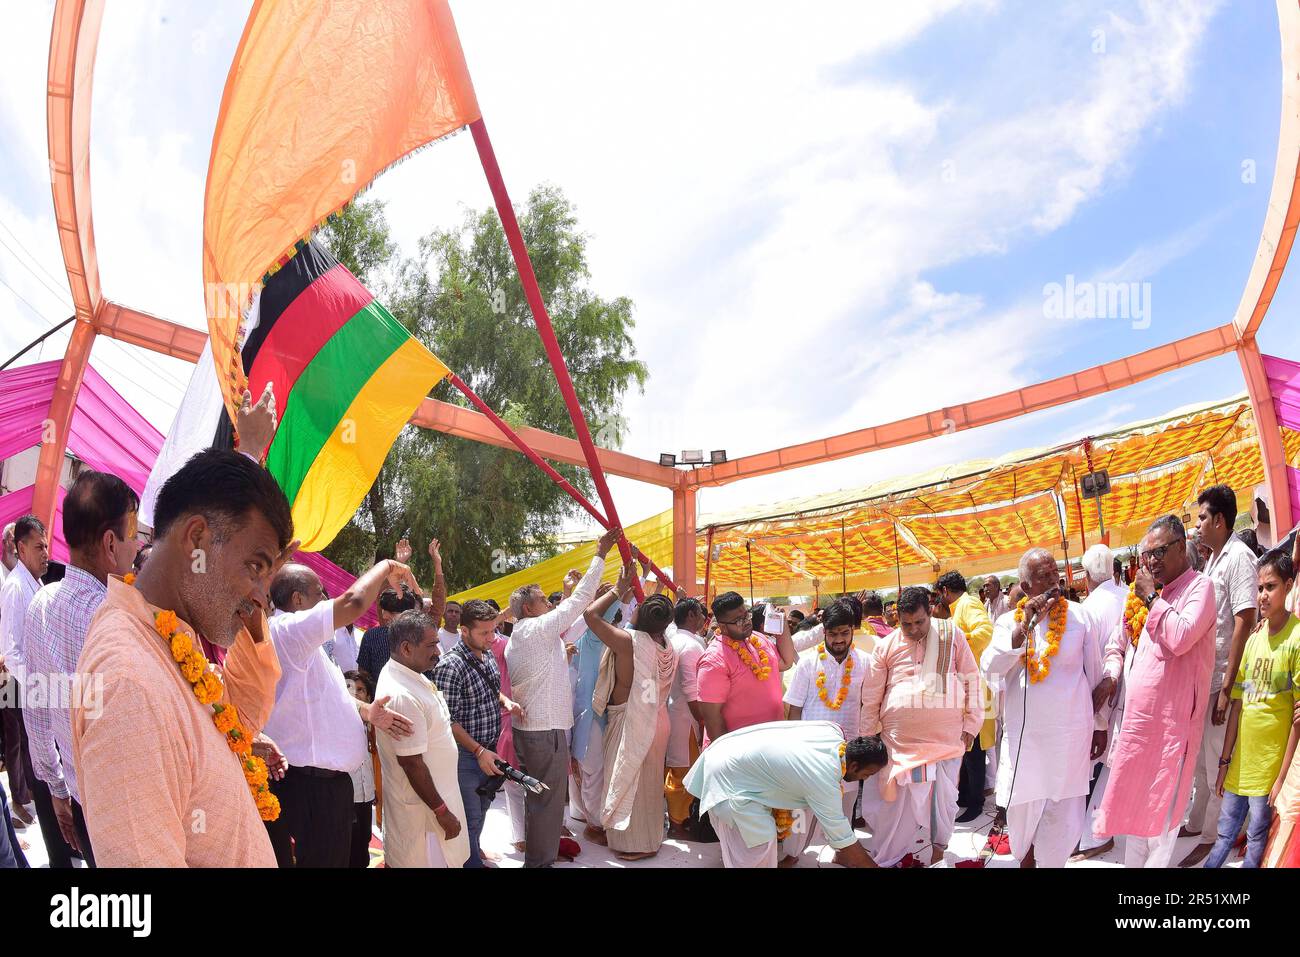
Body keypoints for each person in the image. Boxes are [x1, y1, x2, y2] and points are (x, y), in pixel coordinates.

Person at [72, 447, 294, 866]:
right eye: (255, 567)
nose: (262, 597)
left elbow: (243, 720)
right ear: (196, 540)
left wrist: (254, 585)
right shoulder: (129, 686)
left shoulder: (169, 634)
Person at [261, 548, 422, 867]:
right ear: (296, 600)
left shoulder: (299, 643)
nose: (326, 599)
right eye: (319, 593)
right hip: (311, 787)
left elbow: (326, 695)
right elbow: (352, 603)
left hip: (317, 785)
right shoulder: (291, 630)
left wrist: (367, 711)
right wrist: (387, 567)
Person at [24, 471, 143, 869]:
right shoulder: (118, 619)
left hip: (80, 799)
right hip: (128, 812)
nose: (138, 545)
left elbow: (37, 713)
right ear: (111, 543)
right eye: (133, 534)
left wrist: (57, 791)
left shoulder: (41, 604)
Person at [1094, 514, 1216, 867]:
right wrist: (1112, 674)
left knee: (1161, 829)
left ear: (1181, 548)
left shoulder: (1200, 588)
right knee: (1134, 818)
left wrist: (1150, 598)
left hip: (1172, 732)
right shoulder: (1143, 598)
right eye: (1146, 555)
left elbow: (1179, 637)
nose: (1150, 562)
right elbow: (1117, 645)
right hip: (1137, 727)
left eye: (1158, 552)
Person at [506, 526, 620, 867]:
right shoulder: (535, 629)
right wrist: (600, 554)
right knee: (547, 801)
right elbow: (578, 602)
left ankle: (542, 856)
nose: (550, 601)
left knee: (544, 800)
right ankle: (540, 862)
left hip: (540, 729)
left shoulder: (528, 633)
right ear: (529, 608)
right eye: (543, 599)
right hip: (543, 732)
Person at [984, 549, 1106, 868]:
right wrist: (1023, 627)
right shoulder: (1008, 622)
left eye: (1055, 573)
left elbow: (1094, 673)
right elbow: (990, 668)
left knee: (1064, 811)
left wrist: (1101, 725)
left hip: (1069, 734)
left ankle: (1054, 862)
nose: (1054, 581)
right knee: (1022, 807)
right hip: (1026, 741)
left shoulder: (1080, 616)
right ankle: (1026, 860)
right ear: (1026, 587)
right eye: (1044, 576)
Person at [859, 586, 982, 867]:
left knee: (944, 801)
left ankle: (938, 852)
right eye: (906, 624)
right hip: (898, 742)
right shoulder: (886, 645)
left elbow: (971, 678)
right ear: (896, 619)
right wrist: (868, 738)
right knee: (893, 806)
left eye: (919, 622)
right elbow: (872, 695)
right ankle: (890, 856)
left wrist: (972, 724)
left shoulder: (951, 635)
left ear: (930, 611)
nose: (913, 629)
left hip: (946, 739)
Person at [1178, 484, 1259, 867]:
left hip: (1222, 680)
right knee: (1200, 761)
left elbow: (1245, 620)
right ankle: (1198, 823)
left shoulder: (1239, 557)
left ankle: (1216, 837)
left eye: (1202, 517)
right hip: (1205, 679)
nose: (1196, 525)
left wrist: (1228, 689)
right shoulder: (1212, 560)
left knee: (1217, 762)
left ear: (1220, 520)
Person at [1204, 550, 1299, 868]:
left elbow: (1297, 718)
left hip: (1270, 768)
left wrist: (1281, 778)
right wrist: (1224, 762)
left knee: (1257, 839)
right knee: (1224, 836)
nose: (1262, 595)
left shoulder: (1297, 639)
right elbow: (1238, 706)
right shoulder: (1254, 640)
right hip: (1240, 766)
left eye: (1270, 587)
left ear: (1288, 586)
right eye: (1259, 588)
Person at [685, 721, 886, 867]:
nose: (865, 780)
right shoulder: (823, 777)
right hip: (728, 776)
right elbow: (843, 836)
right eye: (867, 774)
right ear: (853, 765)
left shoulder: (831, 731)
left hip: (732, 755)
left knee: (764, 838)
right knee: (758, 842)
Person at [583, 564, 678, 860]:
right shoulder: (666, 644)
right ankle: (651, 839)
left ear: (638, 615)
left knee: (628, 781)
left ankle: (633, 845)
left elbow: (590, 616)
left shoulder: (629, 642)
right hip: (659, 720)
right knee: (650, 783)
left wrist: (617, 590)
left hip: (630, 721)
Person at [433, 598, 524, 867]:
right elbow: (448, 721)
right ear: (464, 631)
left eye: (493, 630)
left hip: (487, 751)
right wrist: (478, 750)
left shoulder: (485, 655)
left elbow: (489, 689)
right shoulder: (450, 666)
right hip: (466, 756)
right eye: (484, 632)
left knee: (481, 813)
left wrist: (505, 701)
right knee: (469, 820)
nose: (491, 637)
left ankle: (473, 855)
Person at [374, 610, 469, 868]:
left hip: (434, 808)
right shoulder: (401, 694)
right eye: (431, 645)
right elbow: (412, 763)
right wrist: (442, 812)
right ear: (406, 648)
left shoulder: (411, 675)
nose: (438, 651)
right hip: (426, 819)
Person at [1071, 544, 1130, 862]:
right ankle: (1095, 833)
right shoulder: (1125, 596)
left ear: (1085, 576)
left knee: (1098, 772)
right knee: (1109, 768)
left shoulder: (1090, 607)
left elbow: (1091, 666)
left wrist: (1096, 717)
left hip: (1100, 701)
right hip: (1124, 695)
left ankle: (1095, 835)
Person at [935, 571, 995, 824]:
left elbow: (986, 631)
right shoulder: (957, 608)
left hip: (974, 689)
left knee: (975, 749)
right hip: (963, 690)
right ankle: (966, 796)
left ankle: (976, 802)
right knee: (966, 747)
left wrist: (956, 641)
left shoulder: (967, 603)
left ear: (946, 591)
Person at [0, 514, 48, 835]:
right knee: (18, 743)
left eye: (46, 546)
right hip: (16, 683)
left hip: (32, 684)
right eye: (39, 547)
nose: (46, 553)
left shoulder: (37, 584)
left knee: (31, 747)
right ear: (20, 547)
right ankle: (23, 800)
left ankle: (29, 799)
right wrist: (34, 685)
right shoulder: (16, 587)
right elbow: (10, 647)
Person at [697, 591, 796, 745]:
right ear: (722, 626)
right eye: (738, 620)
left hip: (773, 741)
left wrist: (781, 625)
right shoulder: (713, 660)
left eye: (747, 616)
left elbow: (787, 662)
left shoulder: (758, 639)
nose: (746, 622)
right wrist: (729, 756)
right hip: (739, 751)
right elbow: (712, 718)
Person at [568, 583, 620, 844]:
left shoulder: (609, 637)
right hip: (589, 715)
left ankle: (594, 819)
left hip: (599, 714)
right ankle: (594, 826)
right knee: (593, 772)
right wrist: (616, 593)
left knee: (596, 772)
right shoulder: (590, 637)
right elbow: (598, 618)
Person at [665, 595, 708, 838]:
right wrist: (703, 721)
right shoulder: (690, 646)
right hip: (686, 716)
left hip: (673, 712)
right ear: (691, 616)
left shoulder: (673, 639)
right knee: (683, 772)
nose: (704, 618)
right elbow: (692, 690)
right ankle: (677, 824)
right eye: (701, 613)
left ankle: (678, 819)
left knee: (677, 768)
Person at [343, 669, 378, 868]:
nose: (355, 694)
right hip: (346, 797)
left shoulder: (373, 727)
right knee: (346, 850)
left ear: (368, 696)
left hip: (366, 796)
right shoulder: (337, 726)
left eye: (360, 690)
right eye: (349, 689)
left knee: (362, 845)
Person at [356, 587, 419, 679]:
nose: (385, 616)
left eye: (392, 612)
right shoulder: (372, 636)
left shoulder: (423, 637)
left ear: (408, 613)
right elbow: (363, 674)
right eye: (383, 610)